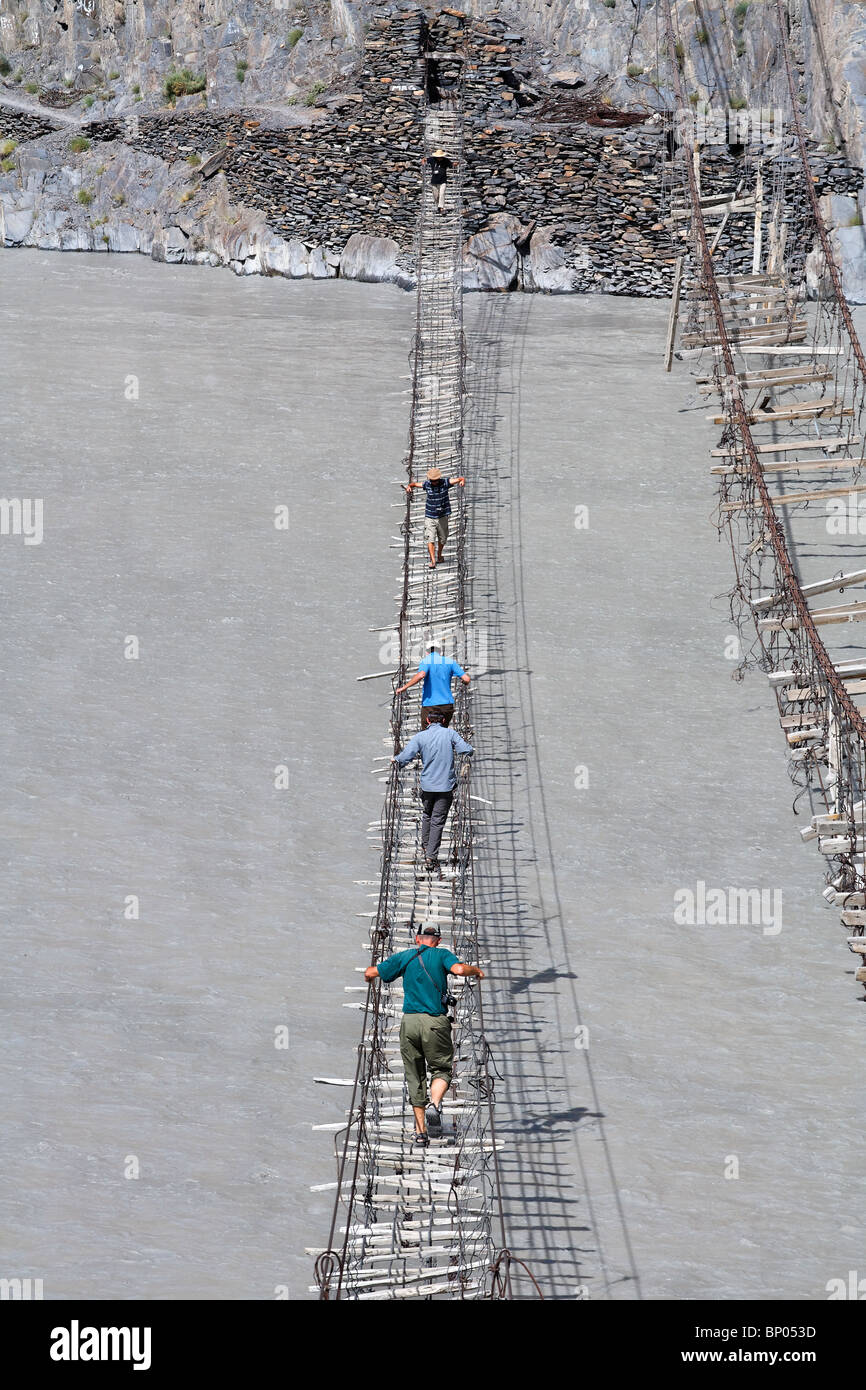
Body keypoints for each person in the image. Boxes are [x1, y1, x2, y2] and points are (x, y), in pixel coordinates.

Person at [365, 925, 484, 1145]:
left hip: (409, 1023)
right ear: (438, 941)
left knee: (414, 1076)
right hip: (435, 1023)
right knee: (441, 1068)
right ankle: (435, 1104)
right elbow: (458, 970)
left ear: (417, 939)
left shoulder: (405, 956)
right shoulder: (442, 954)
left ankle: (420, 1133)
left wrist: (368, 977)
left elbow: (371, 972)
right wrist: (476, 971)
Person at [393, 709, 473, 870]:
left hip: (427, 785)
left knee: (427, 815)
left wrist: (396, 760)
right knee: (438, 820)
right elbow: (466, 749)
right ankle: (431, 857)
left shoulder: (420, 736)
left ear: (428, 721)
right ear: (443, 721)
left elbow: (406, 755)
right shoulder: (450, 734)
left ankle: (425, 846)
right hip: (445, 786)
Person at [396, 641, 470, 729]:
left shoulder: (426, 661)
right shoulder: (450, 662)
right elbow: (466, 679)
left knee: (427, 735)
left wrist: (404, 687)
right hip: (447, 706)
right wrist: (464, 683)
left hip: (430, 706)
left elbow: (421, 675)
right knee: (442, 733)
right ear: (440, 651)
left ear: (427, 652)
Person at [405, 466, 465, 569]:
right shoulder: (427, 484)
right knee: (430, 538)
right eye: (432, 481)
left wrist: (462, 481)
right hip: (430, 516)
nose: (434, 482)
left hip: (442, 516)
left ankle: (439, 555)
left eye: (436, 480)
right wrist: (409, 486)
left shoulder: (445, 483)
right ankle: (433, 561)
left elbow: (460, 478)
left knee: (443, 539)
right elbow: (414, 484)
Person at [426, 147, 453, 213]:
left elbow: (451, 165)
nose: (439, 158)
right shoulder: (432, 159)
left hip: (443, 181)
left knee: (442, 194)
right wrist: (423, 162)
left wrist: (456, 164)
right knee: (435, 195)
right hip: (434, 181)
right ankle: (438, 206)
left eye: (440, 157)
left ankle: (441, 208)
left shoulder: (446, 160)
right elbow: (425, 160)